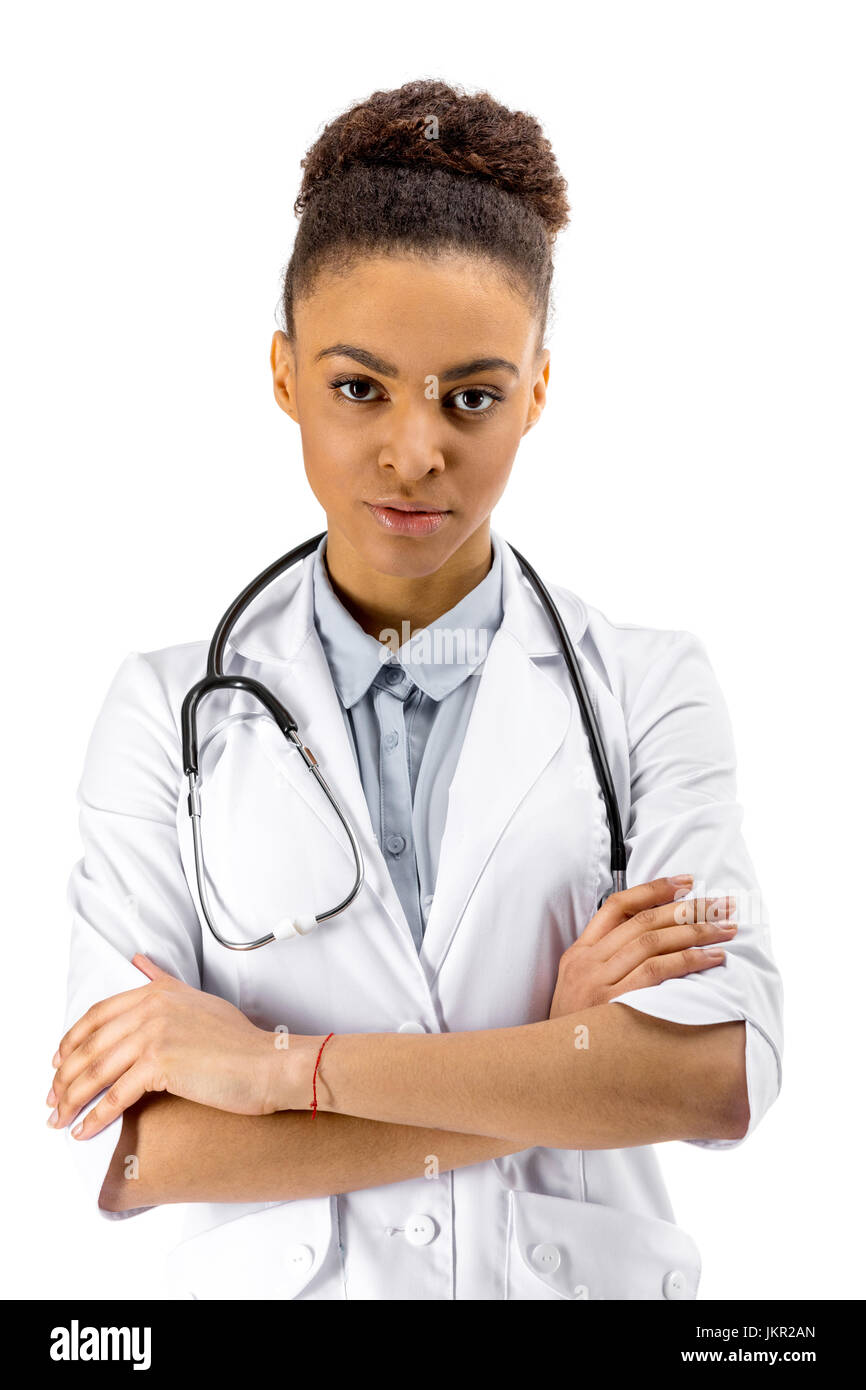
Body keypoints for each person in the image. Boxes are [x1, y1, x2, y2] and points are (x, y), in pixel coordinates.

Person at [48, 78, 783, 1301]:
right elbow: (143, 1145)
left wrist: (279, 1068)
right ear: (283, 374)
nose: (413, 451)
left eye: (472, 396)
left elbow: (708, 1081)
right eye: (357, 386)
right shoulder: (160, 713)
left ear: (536, 391)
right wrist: (556, 1064)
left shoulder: (650, 689)